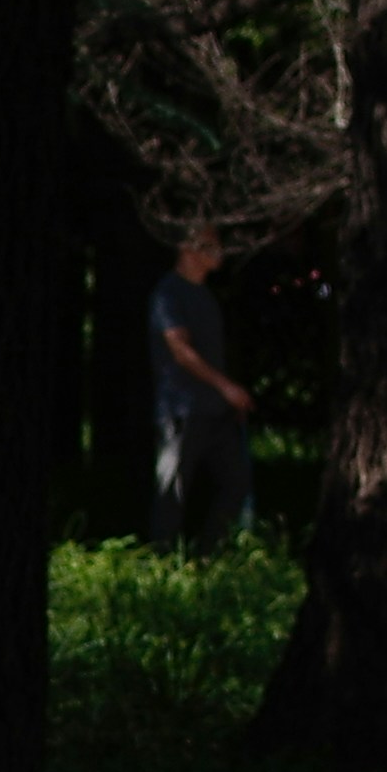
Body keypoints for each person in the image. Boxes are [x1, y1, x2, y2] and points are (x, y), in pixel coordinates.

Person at [147, 224, 254, 548]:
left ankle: (209, 552)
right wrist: (227, 388)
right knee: (172, 489)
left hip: (215, 411)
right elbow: (181, 351)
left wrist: (227, 398)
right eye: (210, 245)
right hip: (181, 410)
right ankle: (162, 560)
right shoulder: (168, 294)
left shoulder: (206, 296)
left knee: (236, 483)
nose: (219, 252)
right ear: (188, 250)